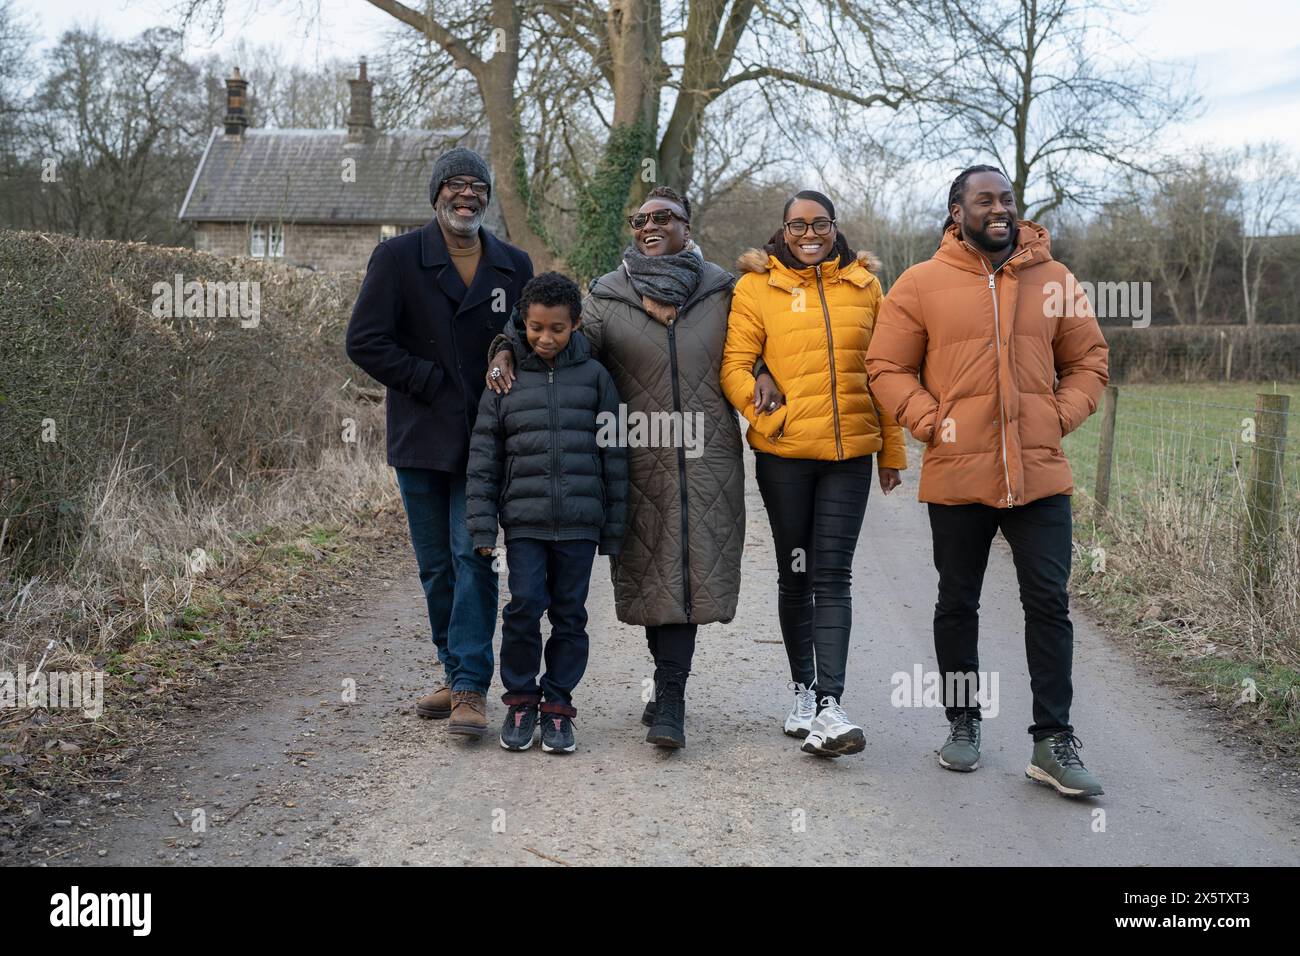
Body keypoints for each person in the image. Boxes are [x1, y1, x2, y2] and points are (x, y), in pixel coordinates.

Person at [486, 186, 768, 749]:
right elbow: (553, 339)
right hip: (634, 459)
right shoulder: (606, 299)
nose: (650, 226)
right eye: (640, 218)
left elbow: (761, 342)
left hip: (704, 459)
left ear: (689, 227)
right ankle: (662, 690)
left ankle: (671, 700)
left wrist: (763, 370)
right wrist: (503, 346)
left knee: (689, 576)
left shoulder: (725, 293)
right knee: (653, 578)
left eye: (665, 217)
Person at [865, 165, 1109, 797]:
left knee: (1049, 605)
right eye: (985, 200)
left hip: (1040, 477)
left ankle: (1053, 741)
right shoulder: (920, 284)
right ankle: (963, 723)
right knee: (957, 603)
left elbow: (1089, 362)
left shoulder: (1056, 281)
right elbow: (887, 366)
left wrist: (1057, 417)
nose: (999, 208)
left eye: (1006, 198)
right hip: (958, 472)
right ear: (957, 209)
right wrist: (929, 420)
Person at [346, 147, 533, 739]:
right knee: (434, 567)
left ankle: (473, 688)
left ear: (487, 197)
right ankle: (455, 672)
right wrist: (427, 380)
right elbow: (365, 341)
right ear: (436, 195)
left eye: (478, 186)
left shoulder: (513, 264)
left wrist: (509, 351)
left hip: (487, 438)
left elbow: (532, 335)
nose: (467, 195)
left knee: (472, 555)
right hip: (421, 435)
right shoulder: (398, 257)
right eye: (455, 185)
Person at [722, 189, 907, 758]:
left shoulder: (865, 284)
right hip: (784, 456)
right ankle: (802, 690)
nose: (809, 233)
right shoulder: (757, 286)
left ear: (834, 227)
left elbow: (885, 369)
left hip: (849, 456)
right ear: (782, 229)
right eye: (798, 225)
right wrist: (762, 411)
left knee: (834, 574)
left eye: (819, 223)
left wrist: (892, 451)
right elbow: (733, 364)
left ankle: (831, 704)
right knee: (794, 572)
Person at [466, 273, 627, 754]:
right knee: (523, 608)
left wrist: (613, 529)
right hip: (525, 524)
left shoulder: (596, 378)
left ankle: (558, 706)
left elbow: (615, 454)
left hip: (580, 524)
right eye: (536, 328)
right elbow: (484, 457)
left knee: (570, 616)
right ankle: (520, 700)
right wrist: (482, 523)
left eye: (557, 328)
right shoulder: (506, 378)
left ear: (576, 325)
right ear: (523, 323)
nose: (545, 338)